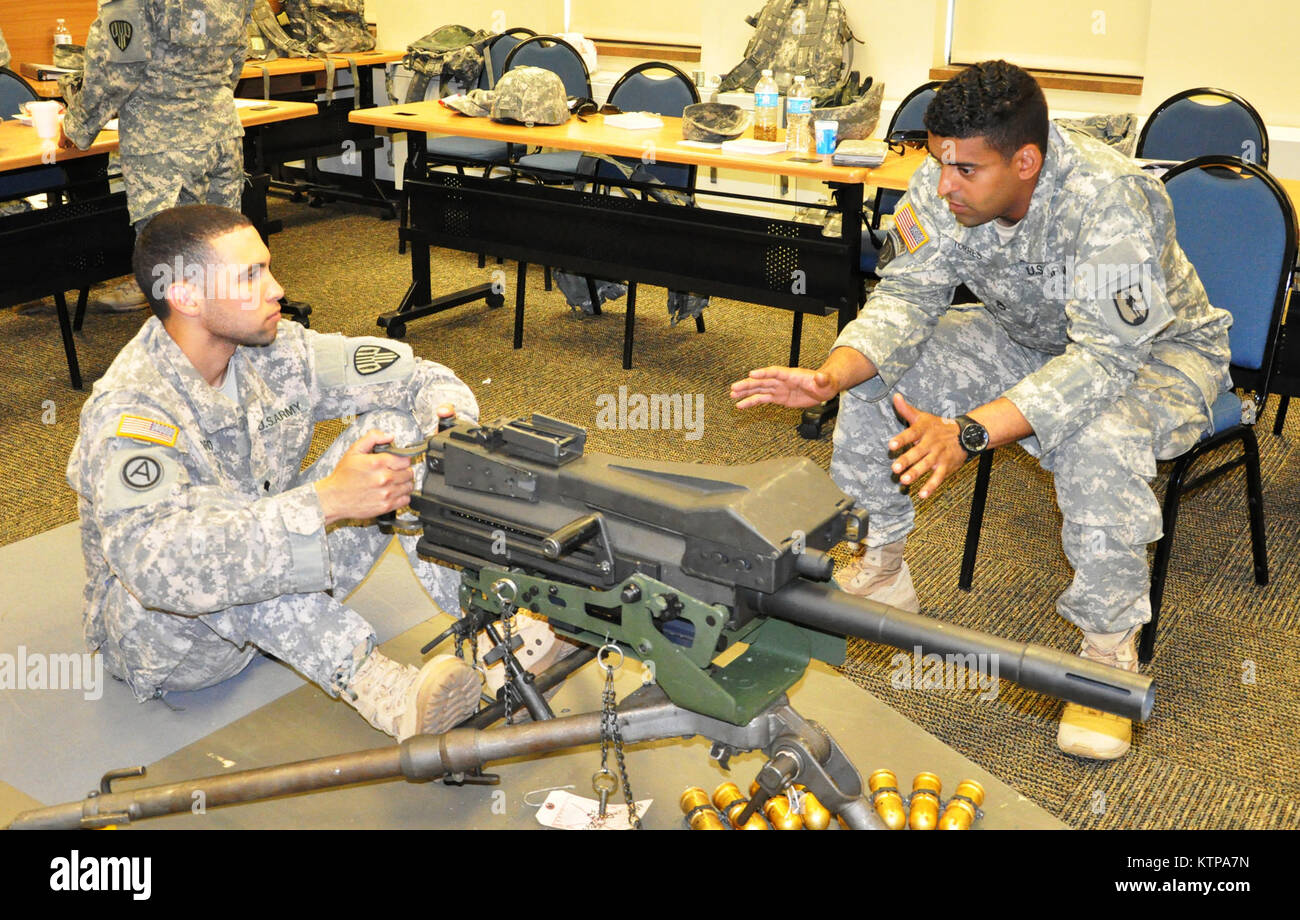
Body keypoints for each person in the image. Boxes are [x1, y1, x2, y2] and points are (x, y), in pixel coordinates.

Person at [731, 61, 1232, 760]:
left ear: (1026, 161)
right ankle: (882, 564)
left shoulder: (1108, 196)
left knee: (1099, 436)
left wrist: (970, 430)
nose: (945, 185)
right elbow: (906, 298)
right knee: (883, 372)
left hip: (1153, 355)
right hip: (1029, 336)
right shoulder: (947, 179)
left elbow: (1102, 362)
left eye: (966, 169)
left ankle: (1106, 660)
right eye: (940, 162)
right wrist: (829, 376)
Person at [66, 204, 488, 740]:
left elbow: (417, 376)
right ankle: (382, 689)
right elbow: (161, 568)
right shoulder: (131, 411)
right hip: (168, 640)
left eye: (267, 268)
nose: (277, 288)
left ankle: (490, 626)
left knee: (396, 428)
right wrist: (327, 503)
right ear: (187, 296)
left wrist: (448, 427)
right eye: (250, 275)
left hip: (280, 586)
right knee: (229, 529)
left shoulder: (276, 349)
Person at [57, 0, 256, 310]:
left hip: (162, 146)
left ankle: (178, 355)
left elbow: (116, 71)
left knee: (170, 269)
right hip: (221, 133)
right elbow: (238, 53)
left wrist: (77, 125)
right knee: (223, 256)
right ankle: (228, 348)